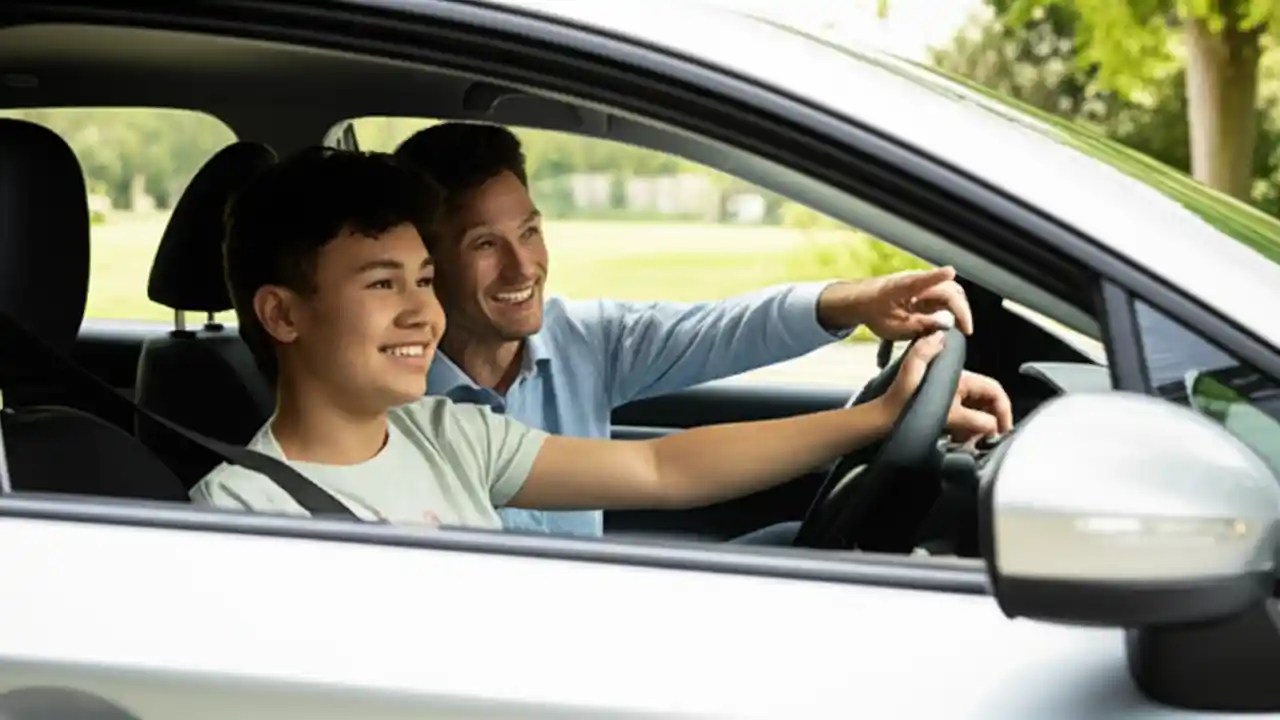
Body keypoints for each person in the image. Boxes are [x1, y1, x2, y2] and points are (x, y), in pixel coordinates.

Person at [189, 148, 1006, 538]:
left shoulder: (449, 436)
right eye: (380, 284)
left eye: (422, 280)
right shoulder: (236, 513)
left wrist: (875, 421)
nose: (418, 313)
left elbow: (664, 468)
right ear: (283, 315)